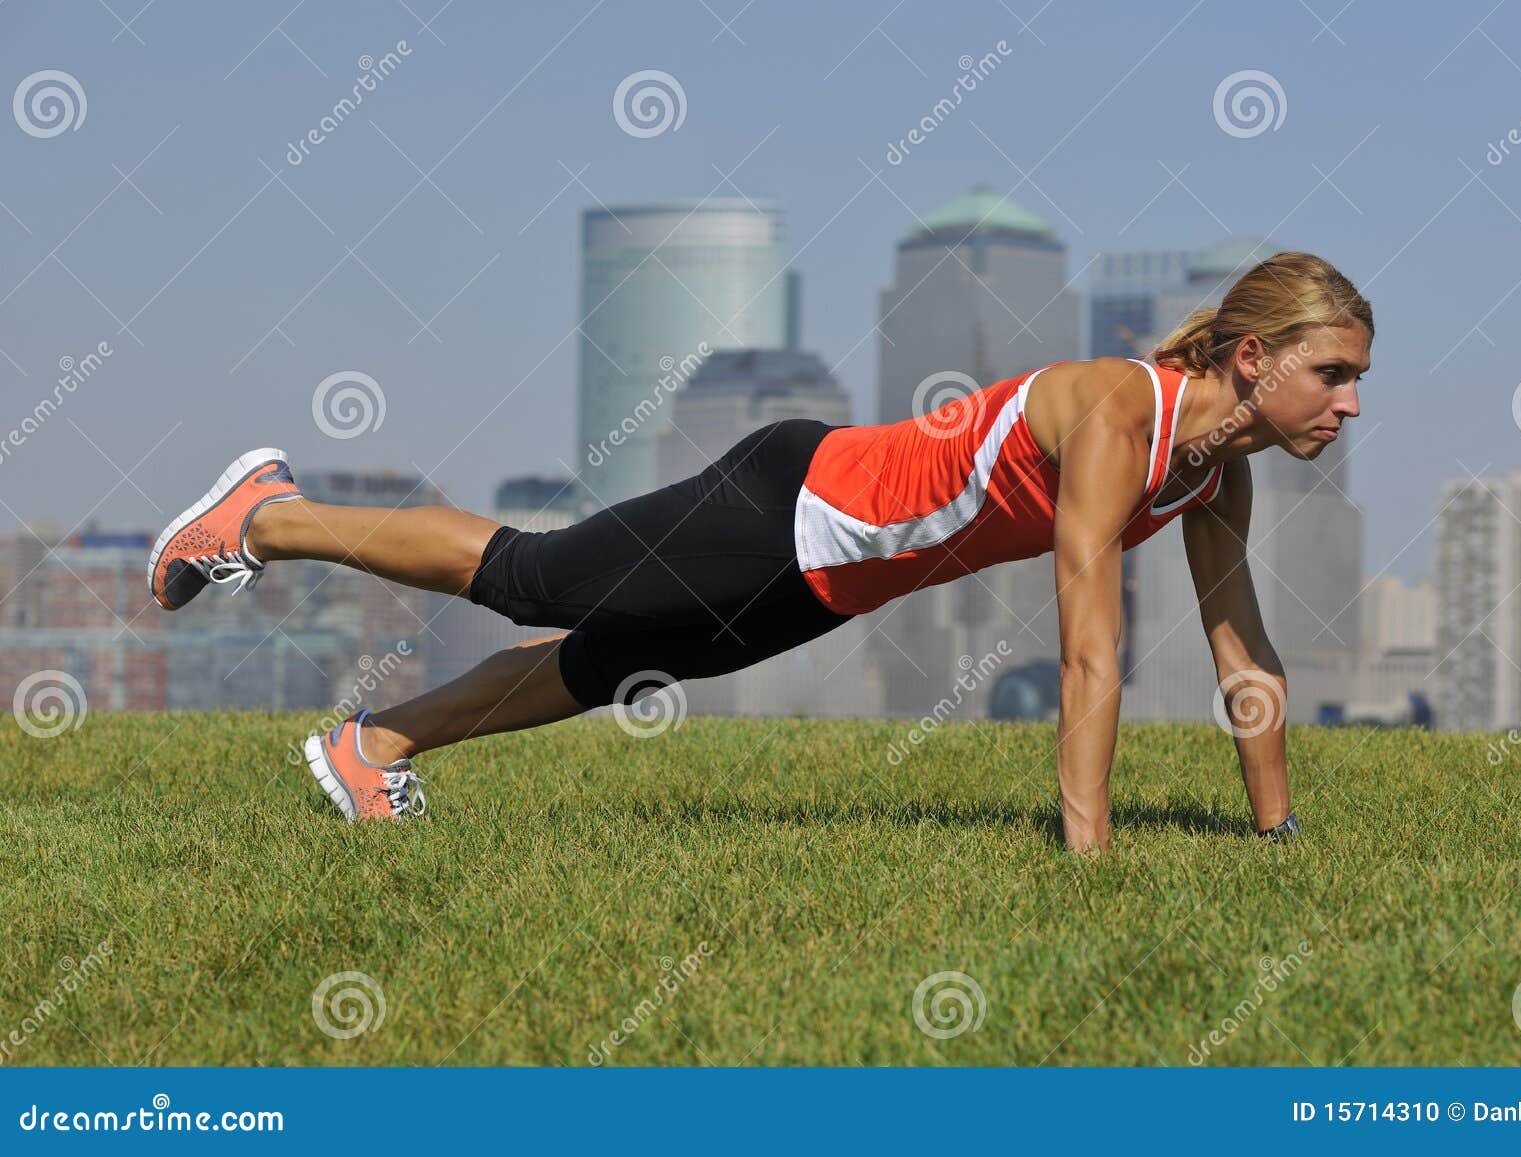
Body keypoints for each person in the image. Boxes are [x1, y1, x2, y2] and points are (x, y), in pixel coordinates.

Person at [147, 251, 1371, 851]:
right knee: (532, 574)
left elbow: (1240, 649)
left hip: (831, 575)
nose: (1348, 404)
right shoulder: (1120, 412)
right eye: (1334, 373)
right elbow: (1090, 653)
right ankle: (262, 513)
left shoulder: (1213, 471)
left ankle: (374, 745)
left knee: (606, 665)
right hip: (787, 505)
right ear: (1251, 359)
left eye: (1356, 380)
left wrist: (1274, 834)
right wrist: (1087, 854)